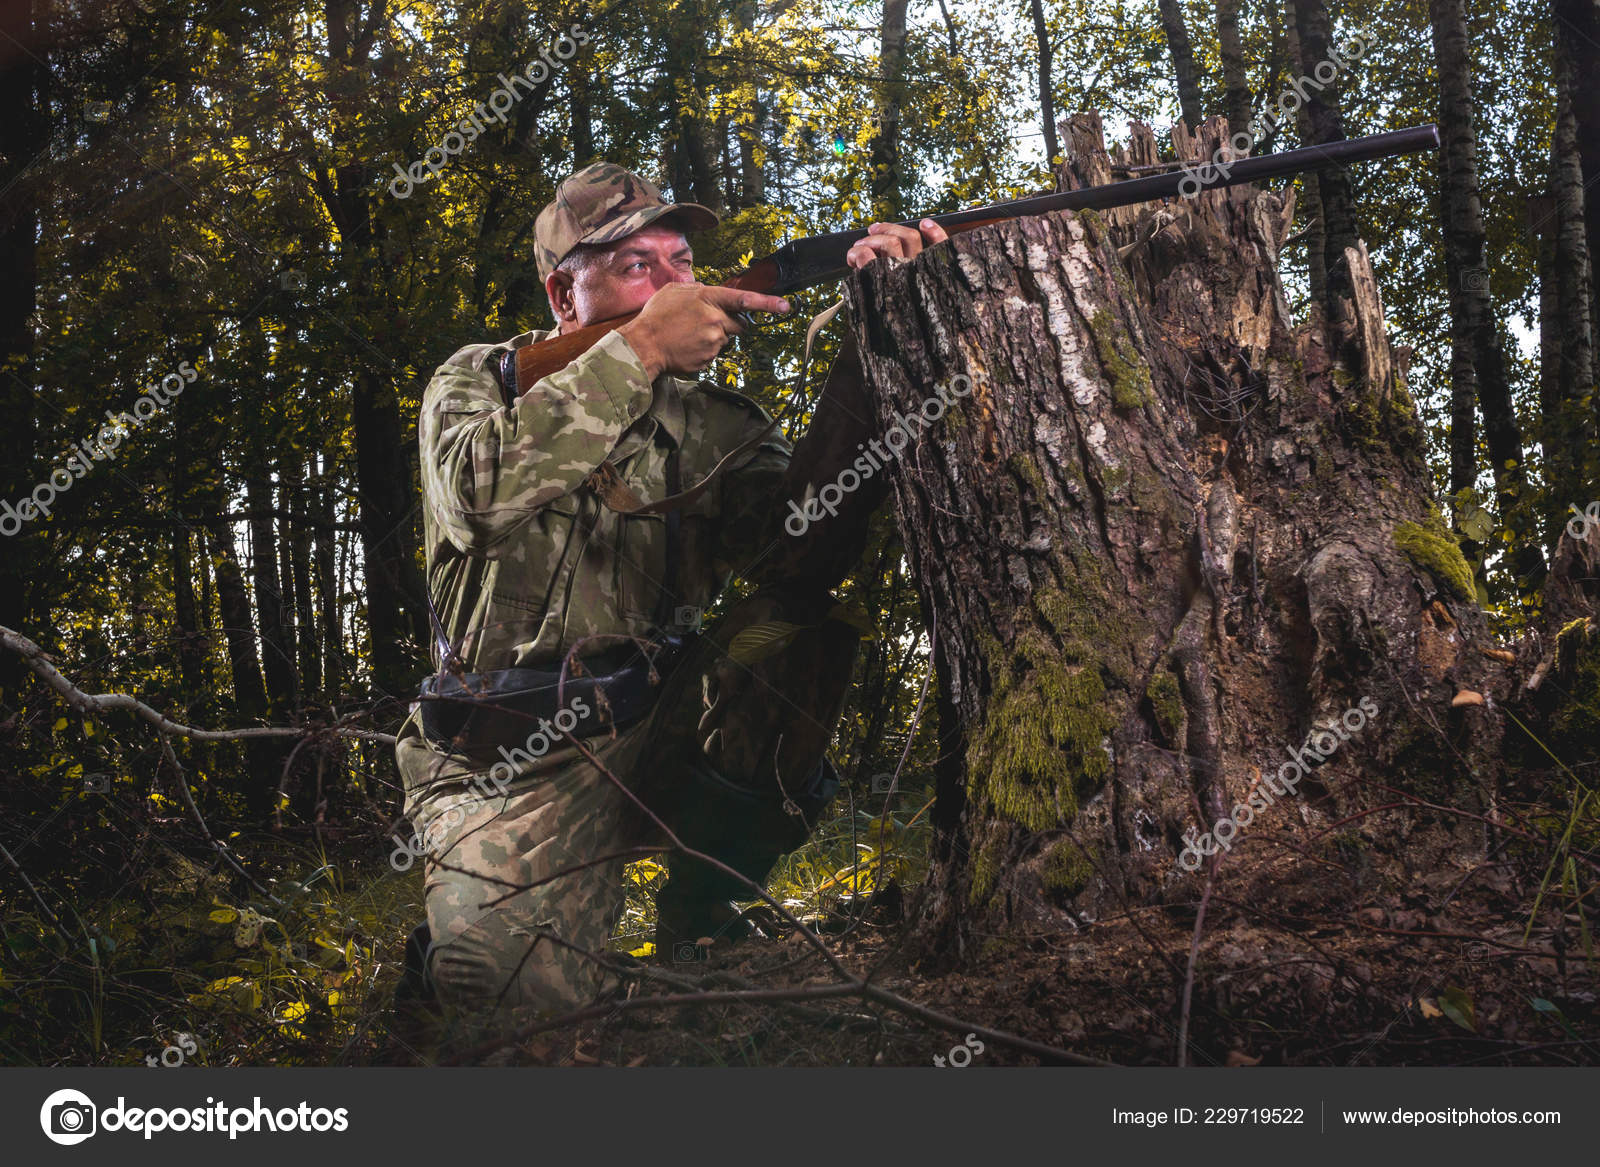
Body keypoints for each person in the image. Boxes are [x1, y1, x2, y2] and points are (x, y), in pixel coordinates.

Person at [391, 161, 946, 1045]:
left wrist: (872, 344)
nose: (672, 282)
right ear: (561, 293)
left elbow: (800, 550)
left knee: (796, 632)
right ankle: (463, 927)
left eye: (680, 260)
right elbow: (474, 492)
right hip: (508, 757)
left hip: (658, 721)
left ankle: (703, 916)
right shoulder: (479, 381)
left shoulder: (717, 420)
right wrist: (640, 351)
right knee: (505, 1002)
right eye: (632, 264)